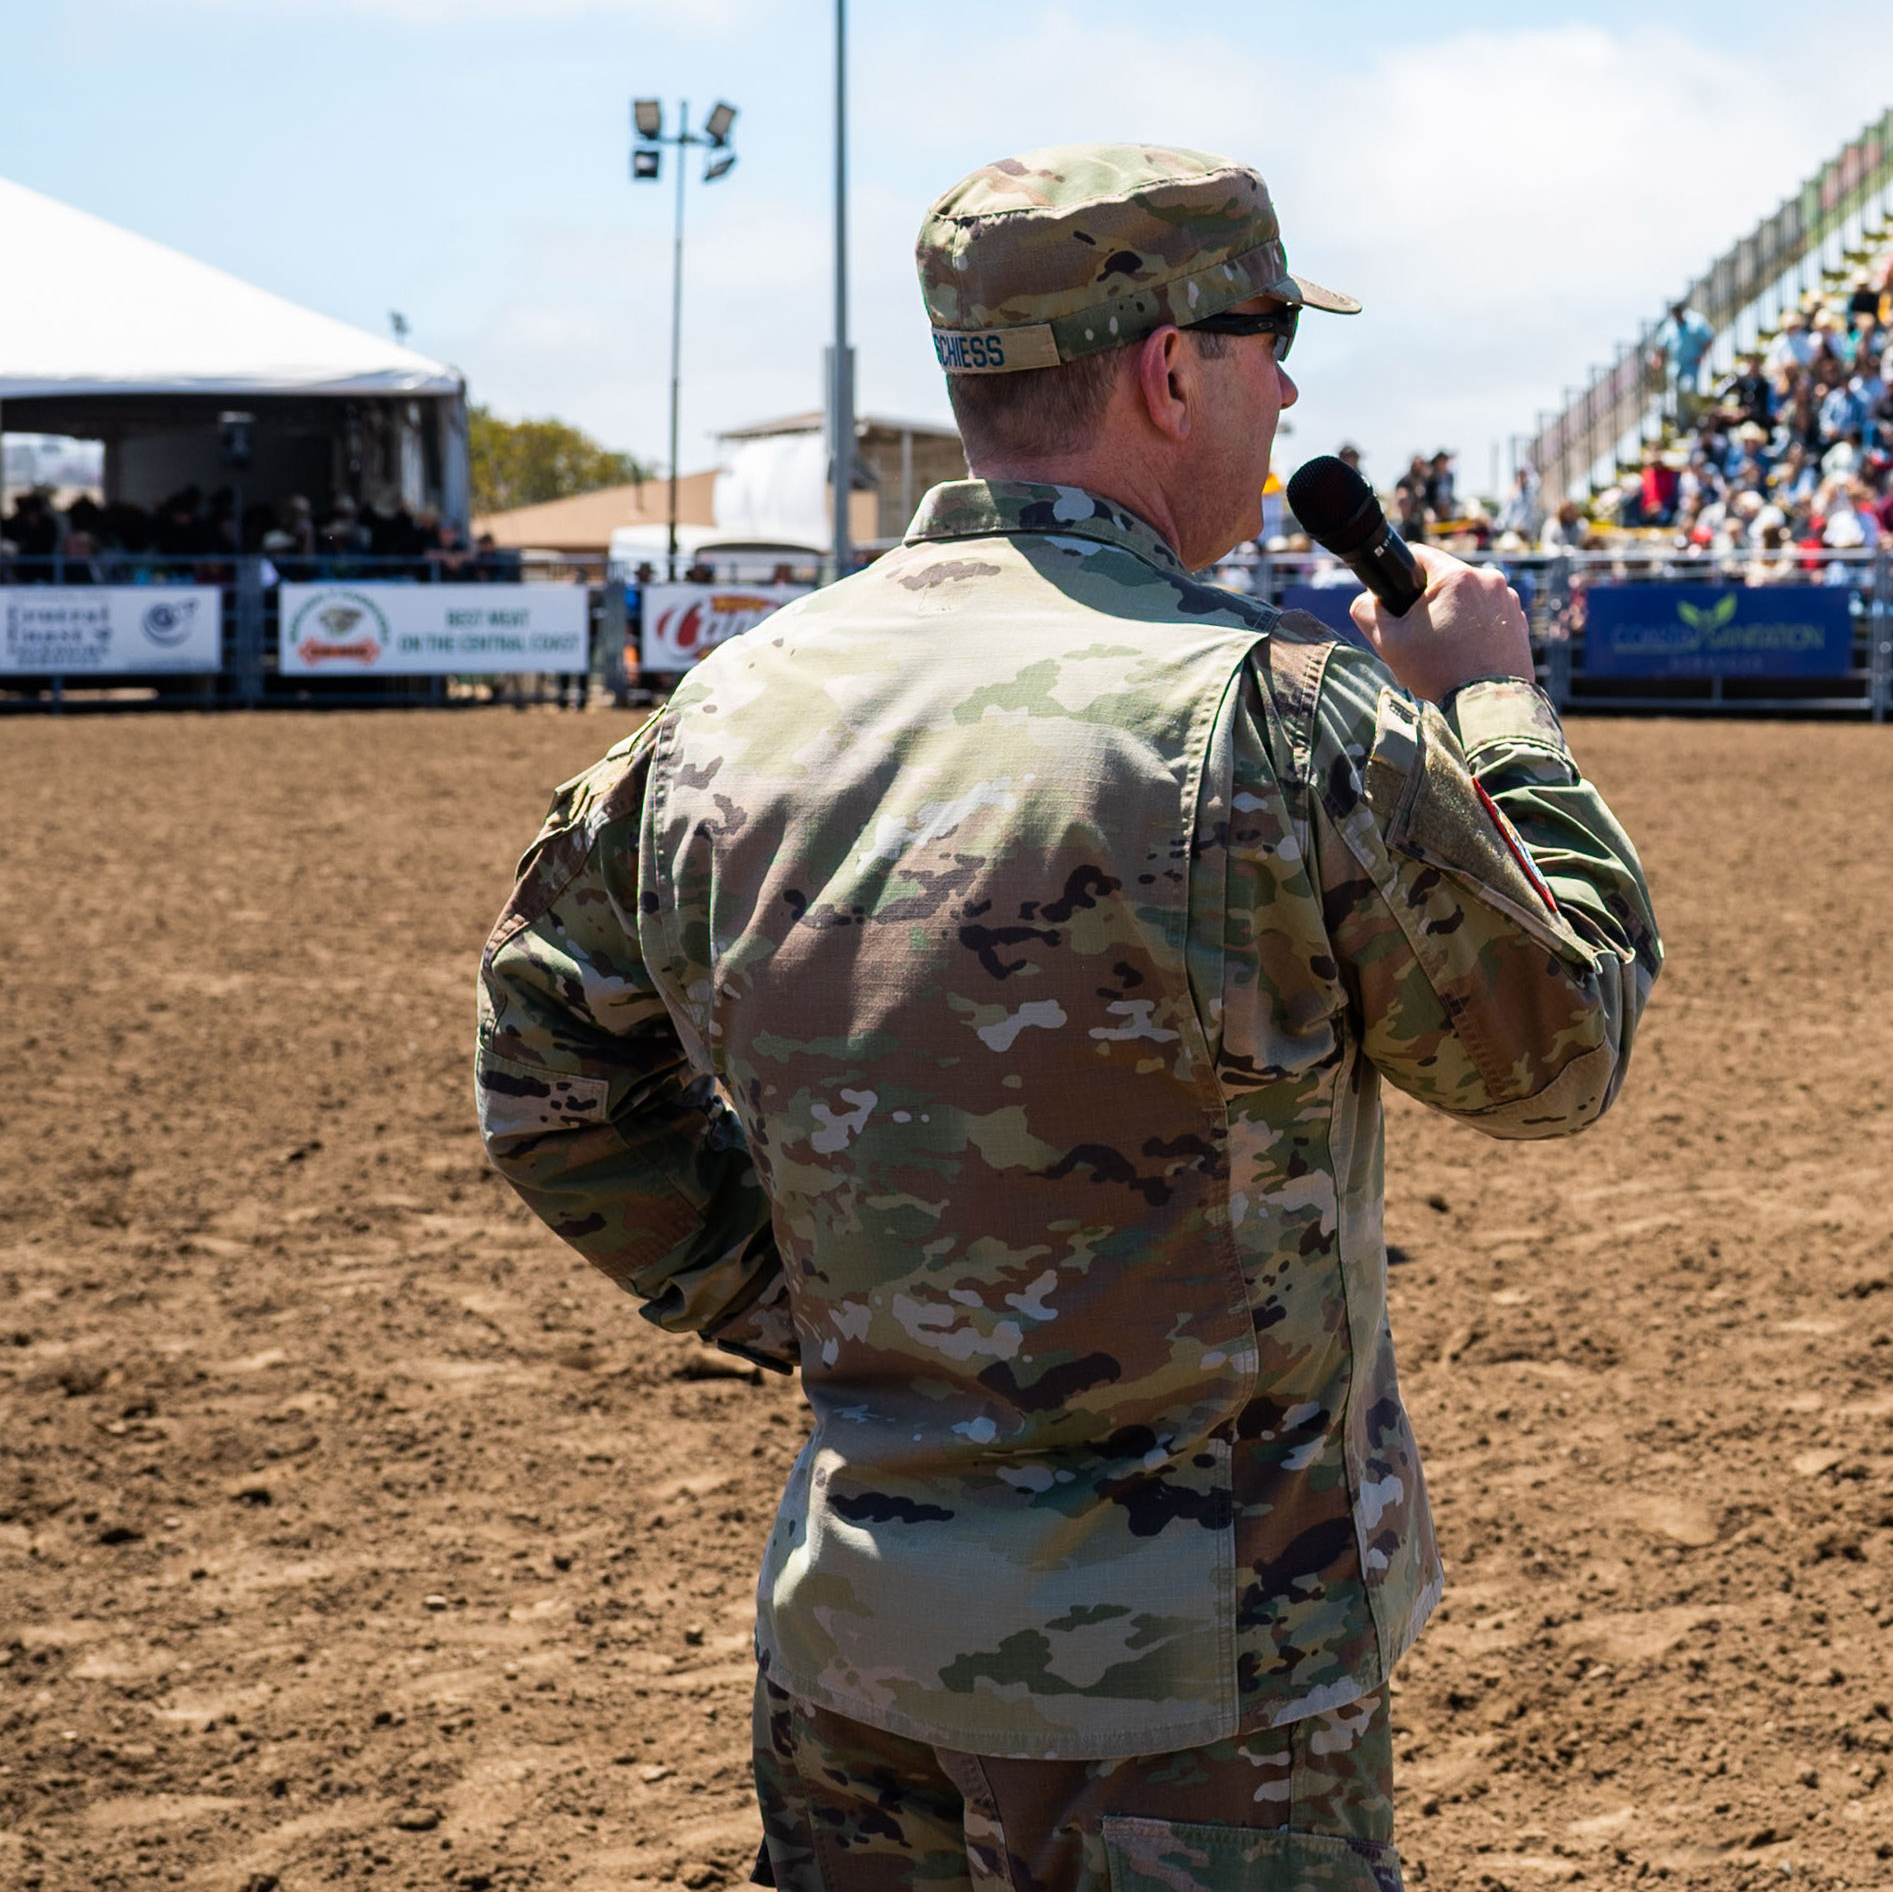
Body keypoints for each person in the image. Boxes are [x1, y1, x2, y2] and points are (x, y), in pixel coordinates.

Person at [475, 143, 1661, 1892]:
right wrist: (1495, 710)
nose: (1291, 384)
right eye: (1269, 337)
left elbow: (553, 1087)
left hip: (860, 1641)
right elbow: (1561, 1041)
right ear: (1171, 368)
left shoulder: (726, 713)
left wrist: (822, 1303)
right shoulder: (1281, 723)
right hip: (1204, 1686)